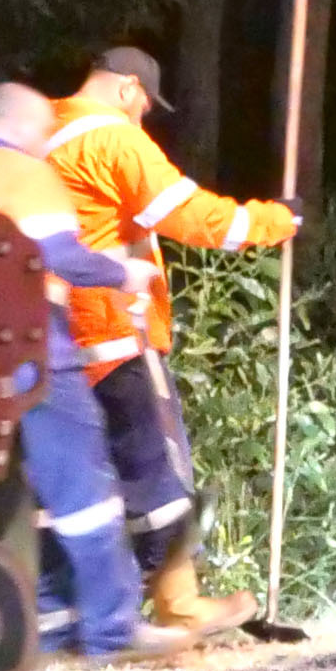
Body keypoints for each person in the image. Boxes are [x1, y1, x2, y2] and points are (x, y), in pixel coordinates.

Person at [42, 45, 292, 635]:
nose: (143, 118)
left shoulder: (38, 134)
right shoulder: (113, 139)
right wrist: (279, 221)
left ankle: (65, 615)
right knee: (161, 475)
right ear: (129, 89)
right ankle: (179, 606)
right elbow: (195, 218)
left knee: (78, 482)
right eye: (145, 106)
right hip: (113, 331)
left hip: (47, 342)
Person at [0, 83, 194, 662]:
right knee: (89, 493)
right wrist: (120, 274)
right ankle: (113, 628)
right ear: (24, 128)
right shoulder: (26, 175)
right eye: (44, 131)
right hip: (38, 354)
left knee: (28, 498)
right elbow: (56, 254)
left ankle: (53, 625)